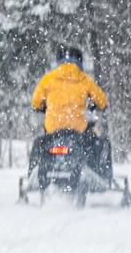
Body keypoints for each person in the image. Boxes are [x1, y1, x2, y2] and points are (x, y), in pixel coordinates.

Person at [30, 46, 112, 181]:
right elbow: (102, 101)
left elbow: (35, 102)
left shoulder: (49, 78)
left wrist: (43, 106)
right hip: (77, 130)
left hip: (53, 130)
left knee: (39, 143)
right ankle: (100, 177)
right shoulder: (85, 79)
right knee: (98, 143)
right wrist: (96, 104)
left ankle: (34, 177)